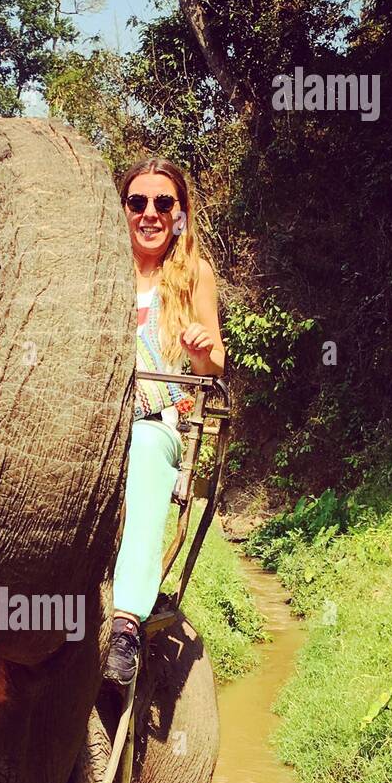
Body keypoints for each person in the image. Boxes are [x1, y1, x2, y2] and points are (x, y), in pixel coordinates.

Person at [104, 158, 227, 687]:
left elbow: (214, 364)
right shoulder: (102, 268)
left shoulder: (193, 274)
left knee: (148, 448)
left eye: (163, 203)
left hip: (156, 419)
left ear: (179, 214)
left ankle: (126, 622)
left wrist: (201, 349)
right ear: (123, 209)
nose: (149, 213)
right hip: (96, 417)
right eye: (137, 202)